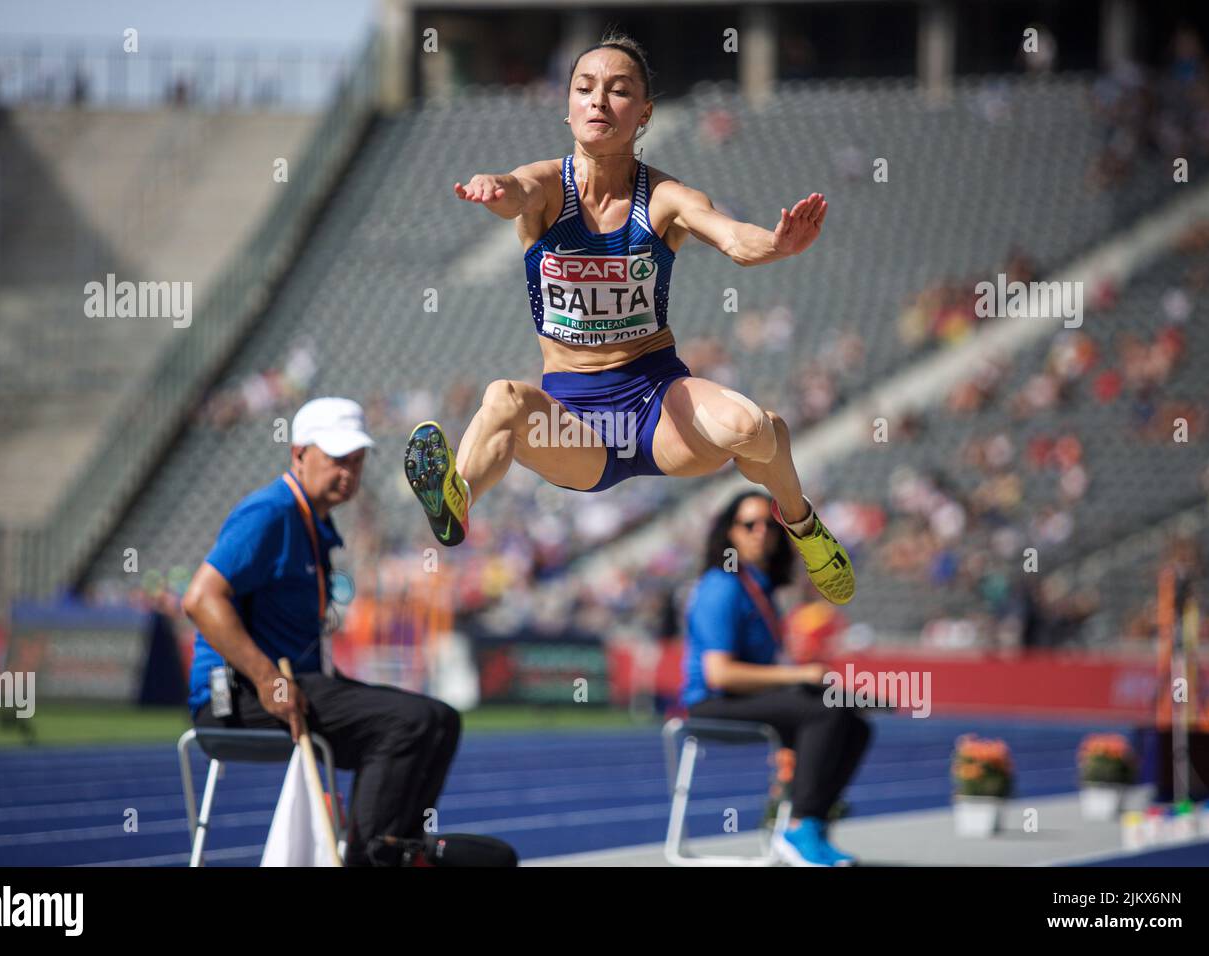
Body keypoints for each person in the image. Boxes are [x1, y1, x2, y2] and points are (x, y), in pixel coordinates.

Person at [402, 31, 854, 607]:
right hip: (575, 424)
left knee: (757, 430)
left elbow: (734, 239)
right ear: (567, 108)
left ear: (644, 114)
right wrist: (495, 189)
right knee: (502, 399)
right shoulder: (545, 186)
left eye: (618, 91)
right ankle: (456, 497)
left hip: (658, 405)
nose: (598, 101)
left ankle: (804, 528)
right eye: (584, 89)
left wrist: (778, 244)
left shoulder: (666, 197)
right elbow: (514, 191)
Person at [182, 397, 461, 867]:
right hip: (235, 695)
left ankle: (399, 851)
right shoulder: (270, 513)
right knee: (406, 722)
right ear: (298, 454)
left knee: (440, 720)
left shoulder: (316, 523)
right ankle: (370, 860)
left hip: (298, 685)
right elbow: (201, 598)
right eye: (336, 460)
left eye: (356, 461)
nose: (348, 473)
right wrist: (268, 678)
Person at [681, 491, 873, 866]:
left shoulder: (760, 589)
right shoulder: (721, 586)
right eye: (749, 524)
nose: (761, 533)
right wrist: (800, 674)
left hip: (744, 698)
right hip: (712, 703)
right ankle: (799, 829)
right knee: (826, 713)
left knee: (854, 721)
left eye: (770, 525)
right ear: (730, 533)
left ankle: (812, 826)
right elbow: (720, 674)